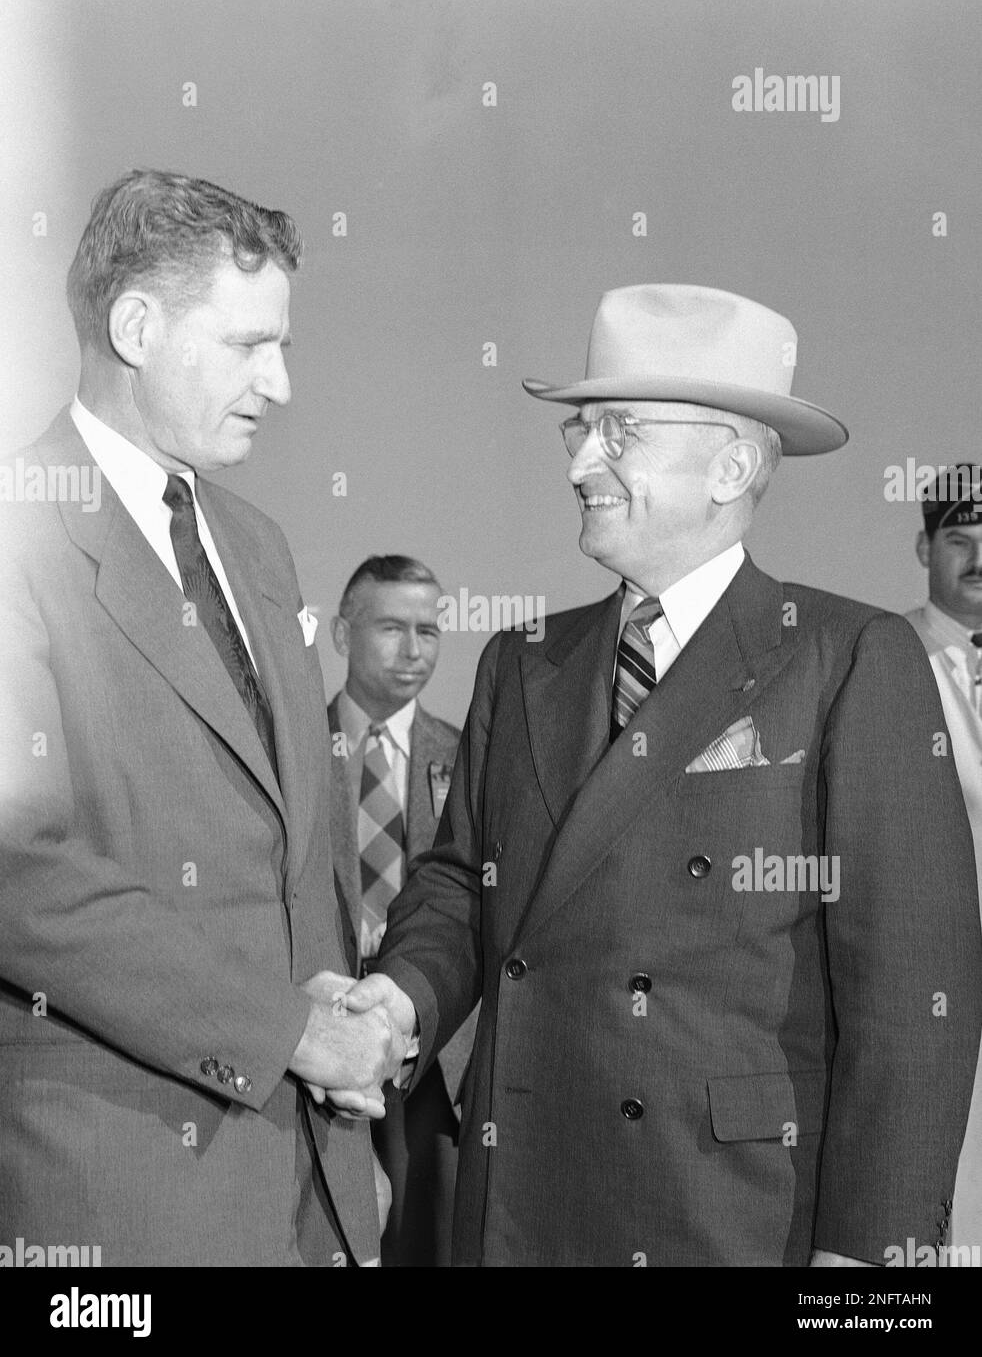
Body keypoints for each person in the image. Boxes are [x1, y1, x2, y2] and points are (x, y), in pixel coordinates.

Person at [344, 283, 982, 1266]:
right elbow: (457, 889)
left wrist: (870, 1276)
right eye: (579, 429)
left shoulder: (846, 656)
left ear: (729, 465)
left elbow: (912, 996)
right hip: (520, 1202)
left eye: (617, 430)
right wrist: (399, 1001)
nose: (578, 458)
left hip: (733, 1216)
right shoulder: (521, 662)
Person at [0, 169, 403, 1267]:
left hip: (304, 1185)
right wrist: (298, 1033)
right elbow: (20, 871)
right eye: (247, 346)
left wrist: (345, 1014)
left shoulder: (258, 542)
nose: (279, 383)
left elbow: (288, 850)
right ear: (135, 326)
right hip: (115, 1196)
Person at [327, 555, 475, 1266]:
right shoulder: (284, 749)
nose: (414, 650)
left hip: (434, 1056)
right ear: (341, 633)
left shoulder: (472, 754)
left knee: (433, 1246)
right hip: (322, 1043)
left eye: (429, 629)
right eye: (391, 627)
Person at [906, 464, 982, 1263]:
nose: (978, 559)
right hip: (934, 986)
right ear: (923, 543)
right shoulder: (888, 657)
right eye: (959, 539)